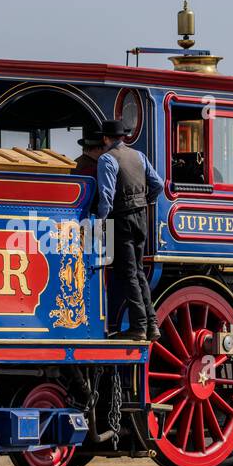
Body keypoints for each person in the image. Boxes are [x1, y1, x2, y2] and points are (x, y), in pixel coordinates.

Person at [95, 119, 162, 341]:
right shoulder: (139, 156)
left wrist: (101, 222)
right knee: (139, 271)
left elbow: (106, 197)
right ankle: (152, 324)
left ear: (105, 138)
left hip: (121, 219)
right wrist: (144, 201)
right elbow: (158, 184)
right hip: (141, 217)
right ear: (122, 137)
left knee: (129, 273)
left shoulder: (107, 159)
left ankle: (139, 326)